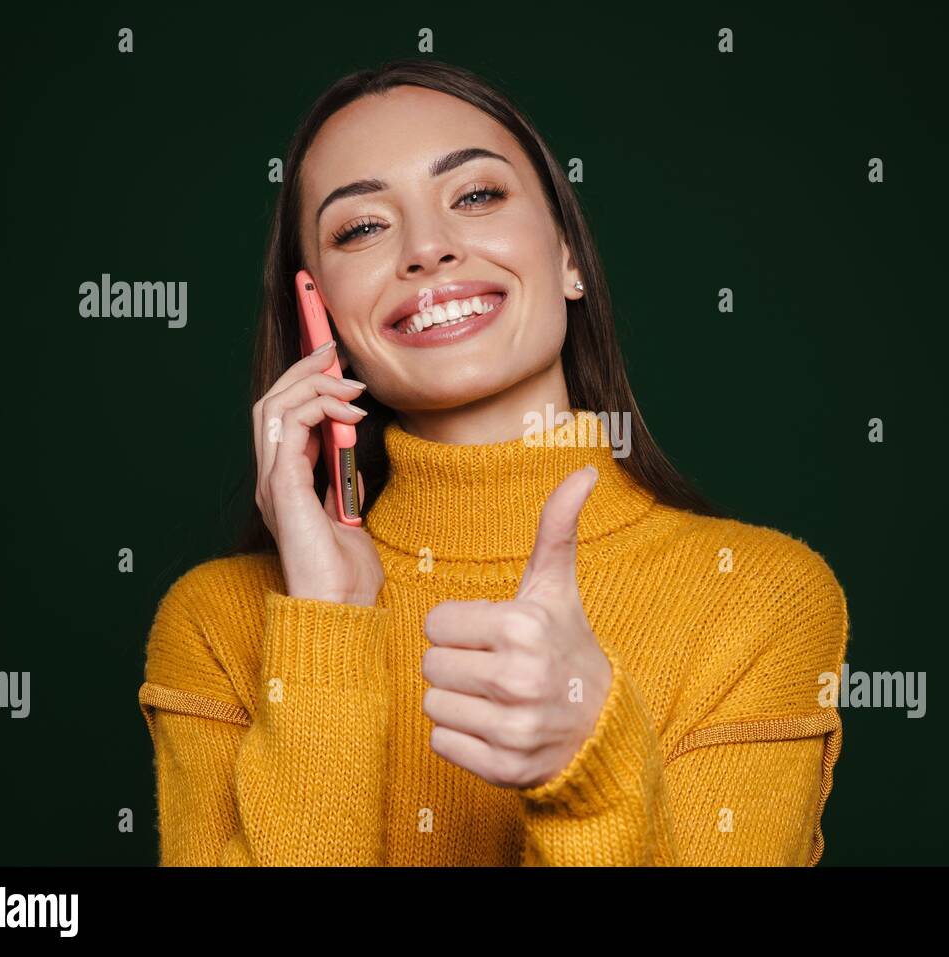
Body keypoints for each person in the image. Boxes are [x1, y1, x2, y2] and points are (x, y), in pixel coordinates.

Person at [138, 58, 850, 866]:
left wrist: (592, 768)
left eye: (476, 196)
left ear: (569, 256)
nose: (429, 249)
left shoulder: (758, 598)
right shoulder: (217, 623)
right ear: (318, 316)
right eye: (361, 227)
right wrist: (327, 624)